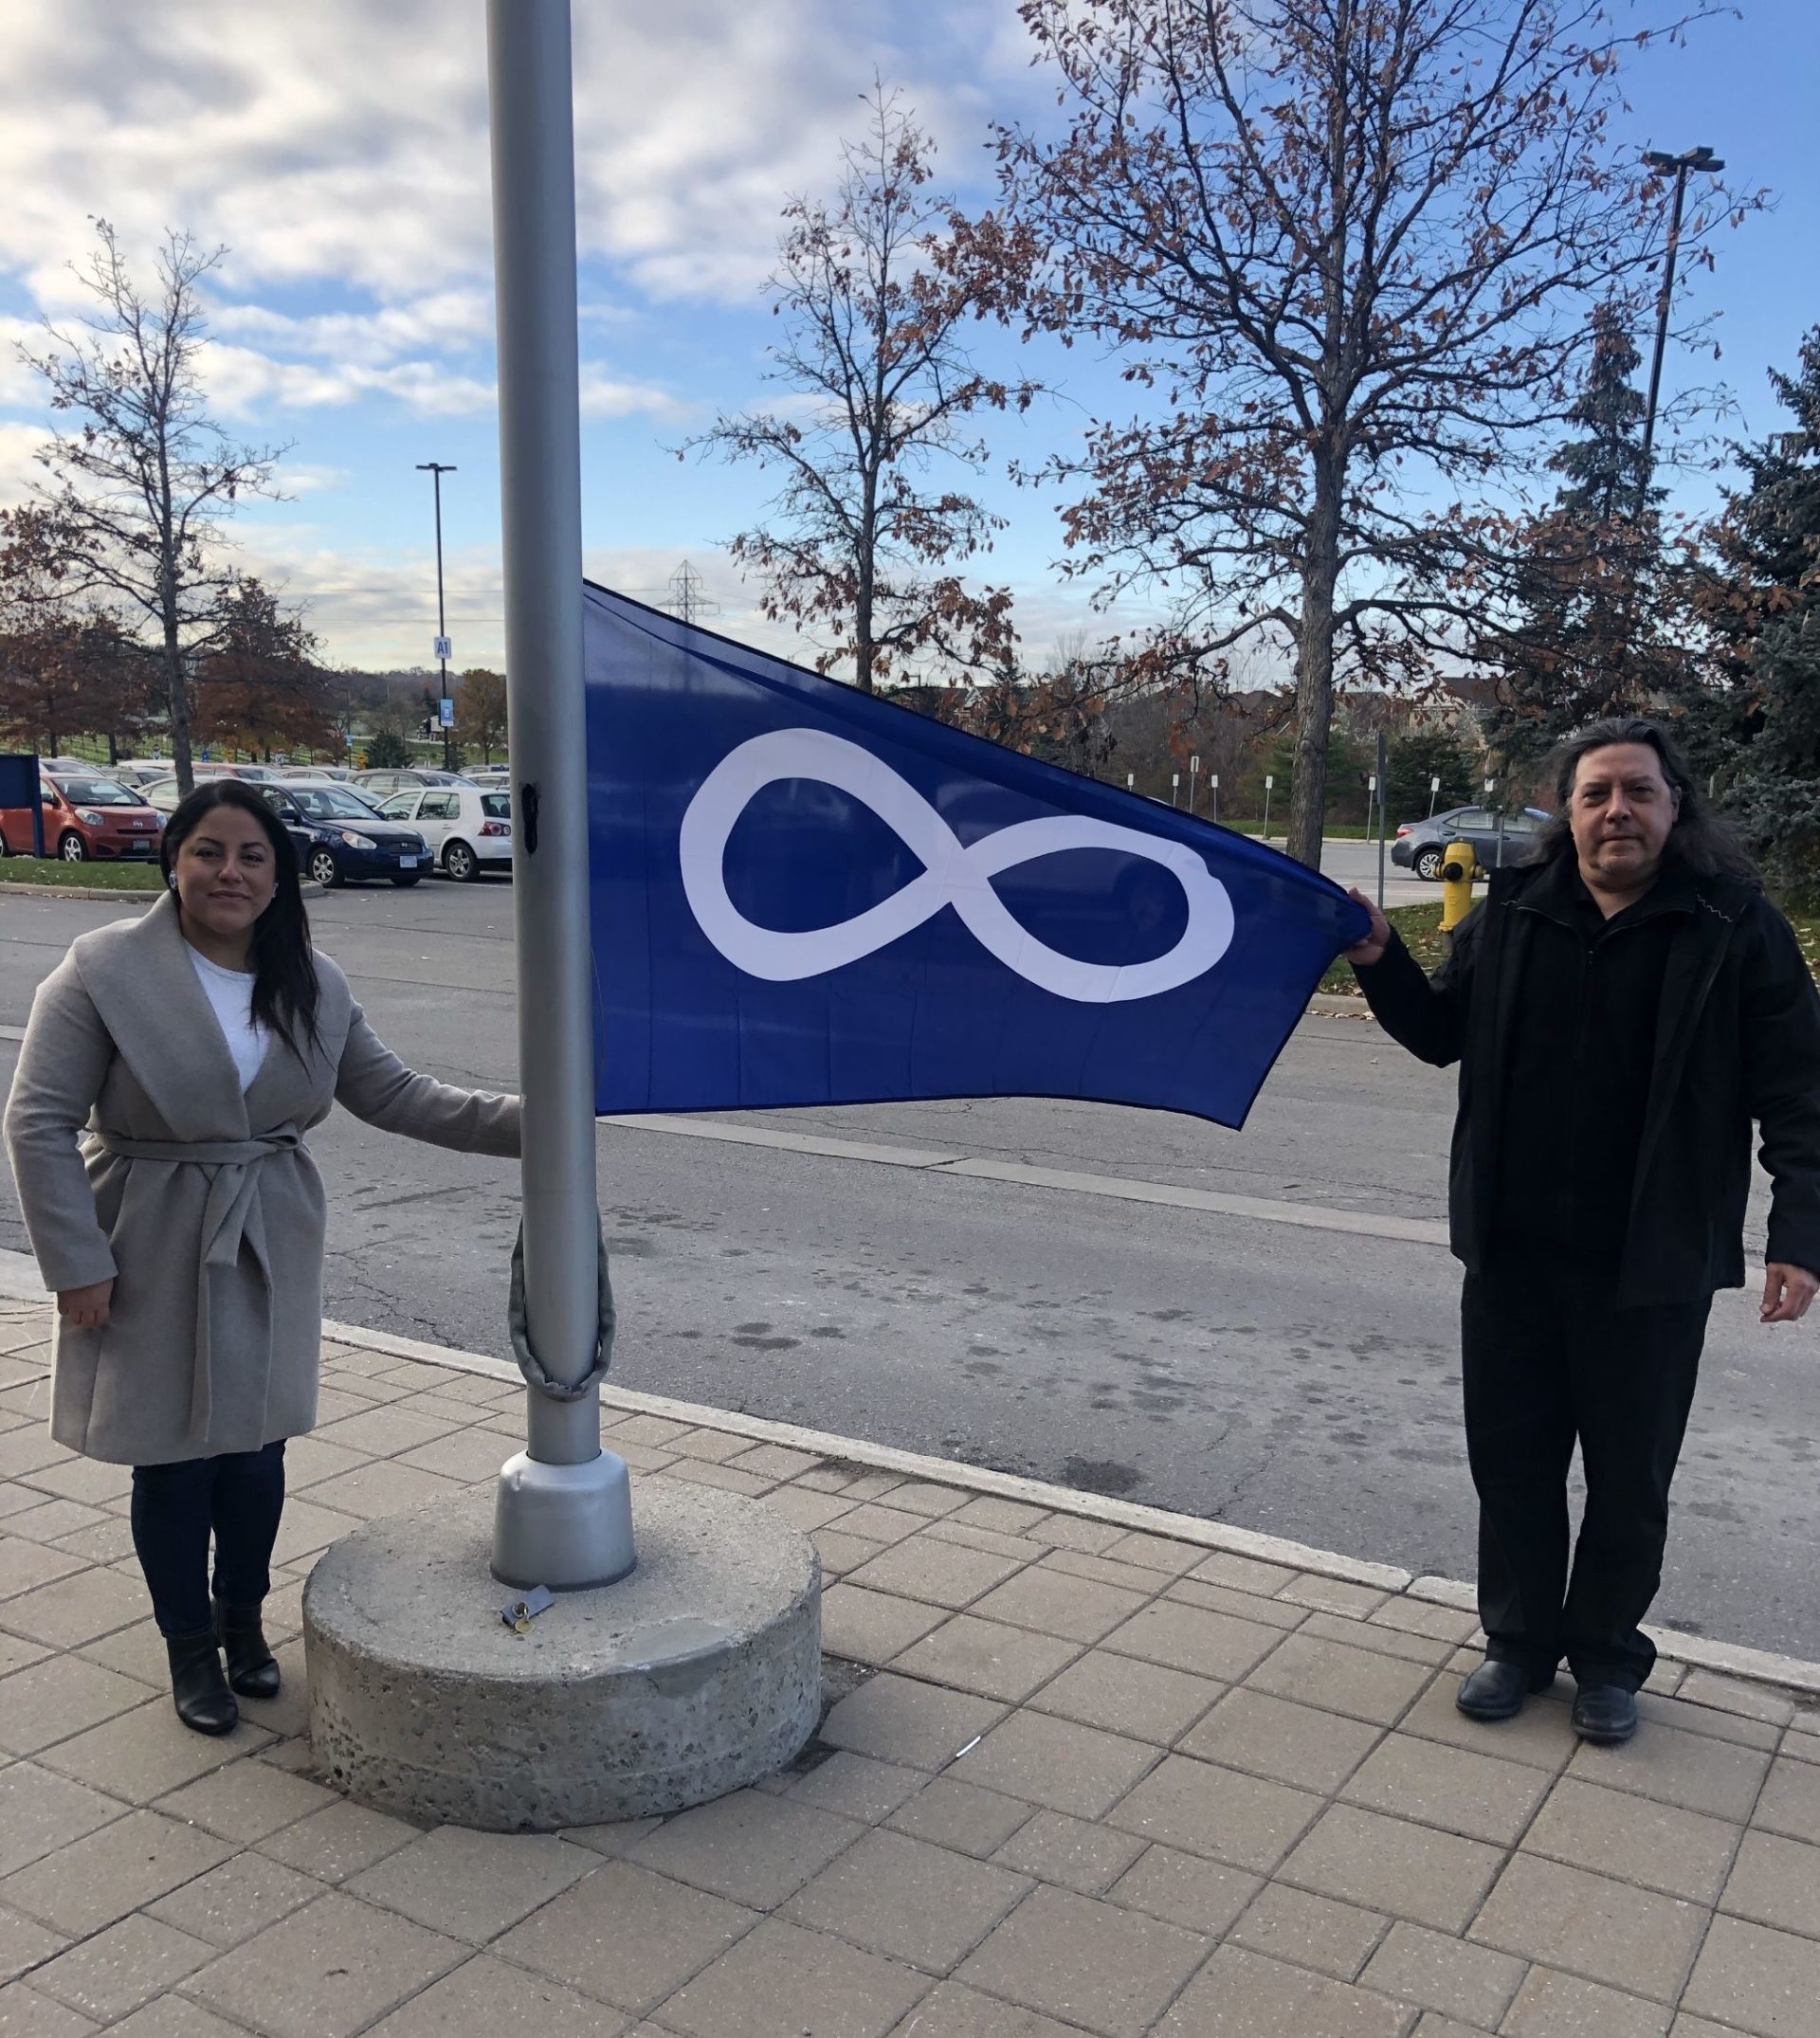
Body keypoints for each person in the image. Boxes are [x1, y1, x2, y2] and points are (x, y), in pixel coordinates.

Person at [4, 780, 520, 1736]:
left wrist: (544, 1123)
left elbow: (398, 1094)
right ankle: (189, 1647)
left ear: (279, 877)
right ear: (174, 861)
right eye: (209, 851)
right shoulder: (101, 971)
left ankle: (242, 1621)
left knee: (254, 1452)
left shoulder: (313, 983)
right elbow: (36, 1121)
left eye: (252, 856)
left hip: (267, 1237)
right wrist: (76, 1263)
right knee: (172, 1461)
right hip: (148, 1237)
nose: (229, 872)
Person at [1344, 718, 1820, 1744]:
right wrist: (1380, 956)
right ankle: (1517, 1643)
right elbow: (1440, 1032)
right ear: (1567, 811)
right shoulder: (1517, 909)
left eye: (1638, 791)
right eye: (1596, 793)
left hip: (1652, 1264)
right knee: (1511, 1460)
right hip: (1513, 1254)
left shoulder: (1733, 923)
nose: (1617, 811)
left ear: (1675, 806)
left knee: (1630, 1475)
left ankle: (1606, 1656)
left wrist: (1799, 1233)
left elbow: (1798, 1093)